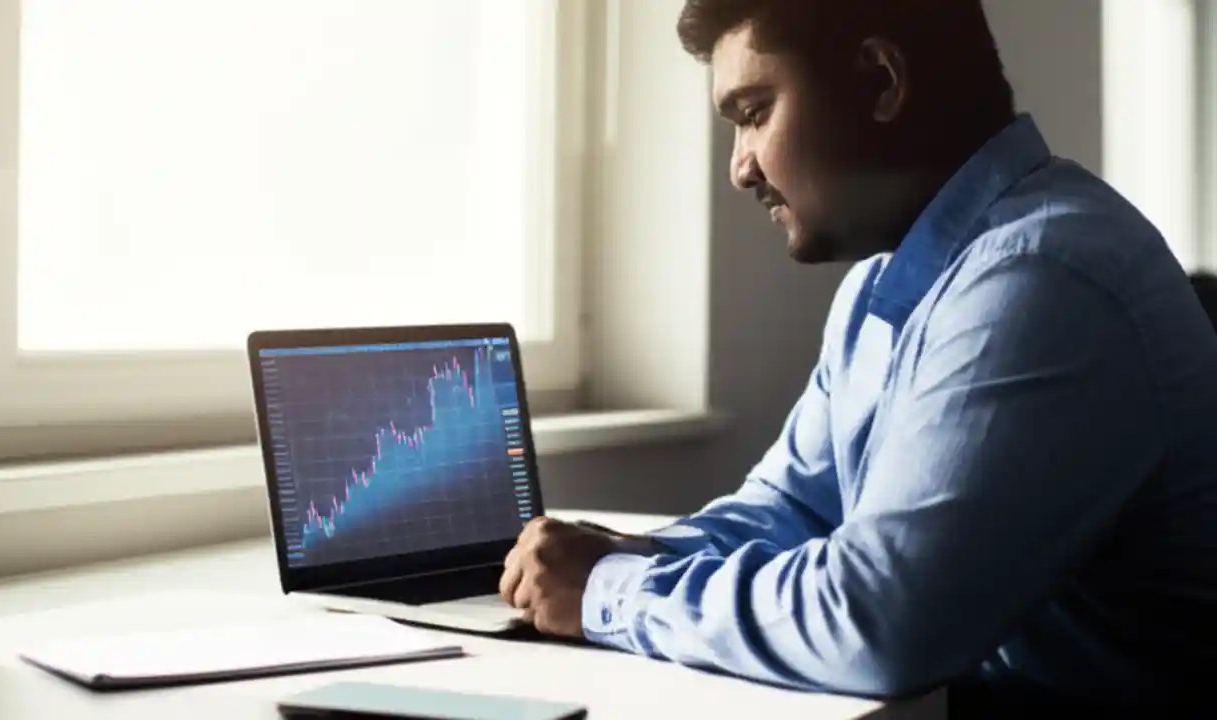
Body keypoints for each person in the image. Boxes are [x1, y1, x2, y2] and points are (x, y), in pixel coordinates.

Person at [499, 0, 1217, 711]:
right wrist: (633, 555)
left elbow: (879, 622)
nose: (740, 168)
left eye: (754, 113)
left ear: (881, 81)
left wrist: (610, 593)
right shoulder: (882, 288)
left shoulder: (1041, 277)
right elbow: (794, 508)